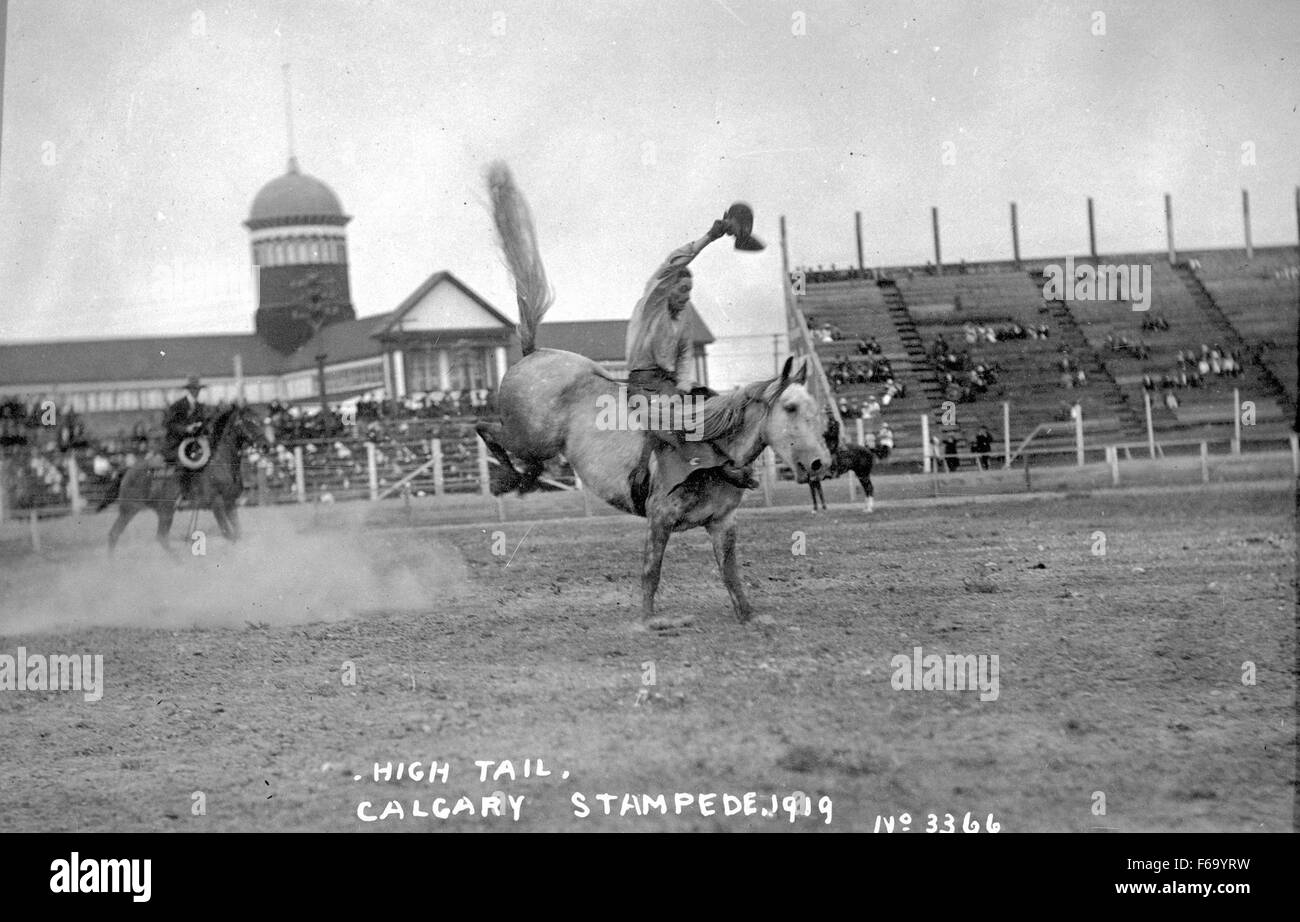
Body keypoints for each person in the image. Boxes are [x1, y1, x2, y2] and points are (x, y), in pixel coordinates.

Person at [625, 214, 757, 490]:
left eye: (690, 291)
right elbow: (674, 262)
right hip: (644, 384)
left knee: (714, 404)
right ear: (668, 286)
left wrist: (685, 382)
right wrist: (709, 238)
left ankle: (731, 462)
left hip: (670, 383)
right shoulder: (653, 302)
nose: (687, 296)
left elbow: (684, 353)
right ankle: (677, 473)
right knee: (679, 423)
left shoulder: (684, 315)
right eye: (683, 289)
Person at [161, 374, 210, 500]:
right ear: (189, 390)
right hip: (175, 444)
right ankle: (180, 495)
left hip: (193, 444)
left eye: (198, 389)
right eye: (194, 389)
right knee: (183, 463)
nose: (196, 392)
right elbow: (168, 423)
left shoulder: (200, 407)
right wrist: (185, 429)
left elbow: (203, 425)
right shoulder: (178, 405)